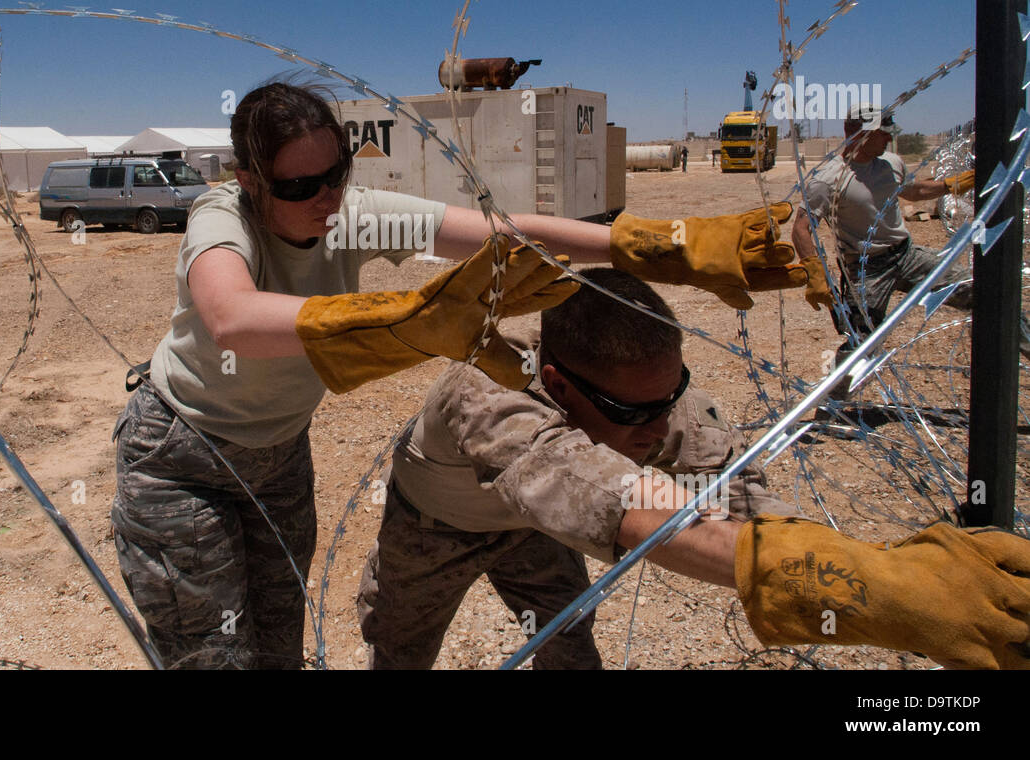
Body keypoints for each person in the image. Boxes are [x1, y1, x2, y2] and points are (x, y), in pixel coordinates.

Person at [110, 79, 808, 669]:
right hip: (183, 459)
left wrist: (659, 248)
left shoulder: (351, 219)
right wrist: (402, 318)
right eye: (298, 185)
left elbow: (507, 237)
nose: (325, 199)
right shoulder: (220, 218)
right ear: (248, 179)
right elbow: (232, 317)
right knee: (213, 654)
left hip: (277, 460)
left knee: (277, 647)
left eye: (336, 175)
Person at [357, 267, 1030, 670]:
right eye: (636, 410)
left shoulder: (648, 393)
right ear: (559, 386)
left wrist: (852, 571)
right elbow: (582, 484)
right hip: (434, 529)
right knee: (399, 650)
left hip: (533, 533)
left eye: (671, 396)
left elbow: (738, 492)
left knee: (567, 645)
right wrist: (789, 570)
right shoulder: (483, 390)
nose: (659, 427)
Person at [792, 104, 980, 388]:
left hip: (907, 255)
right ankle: (836, 404)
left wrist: (950, 185)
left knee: (983, 293)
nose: (888, 140)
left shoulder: (891, 163)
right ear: (858, 134)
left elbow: (914, 191)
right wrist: (814, 272)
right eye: (882, 134)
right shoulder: (828, 179)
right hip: (867, 270)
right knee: (861, 343)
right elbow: (801, 228)